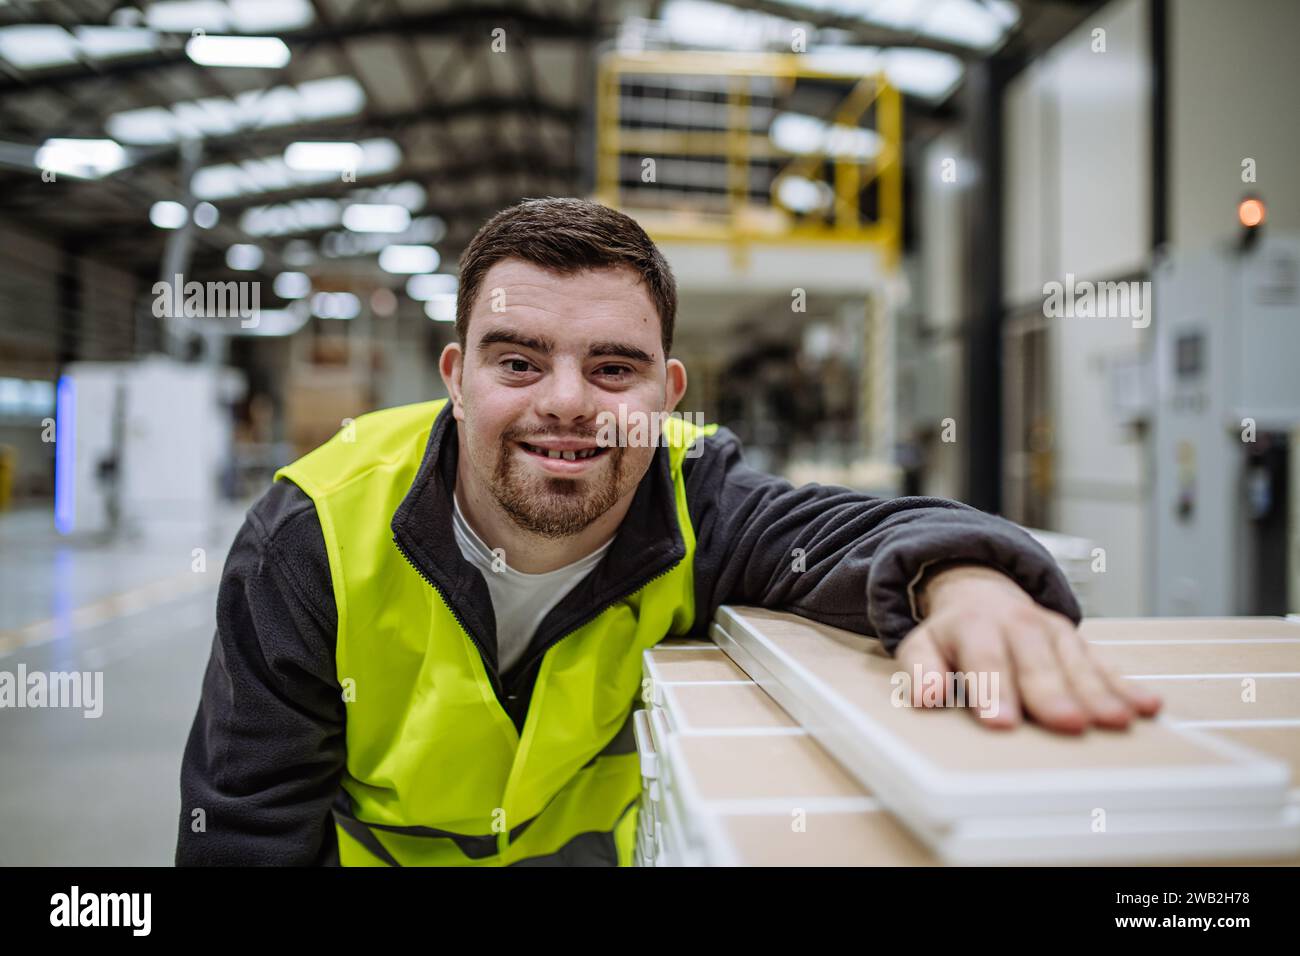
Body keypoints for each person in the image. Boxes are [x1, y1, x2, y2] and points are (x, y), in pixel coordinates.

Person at [176, 197, 1160, 867]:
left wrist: (968, 583)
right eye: (518, 362)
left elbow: (867, 528)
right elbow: (245, 835)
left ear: (667, 392)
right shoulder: (314, 534)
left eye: (612, 368)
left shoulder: (697, 501)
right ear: (453, 375)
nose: (567, 402)